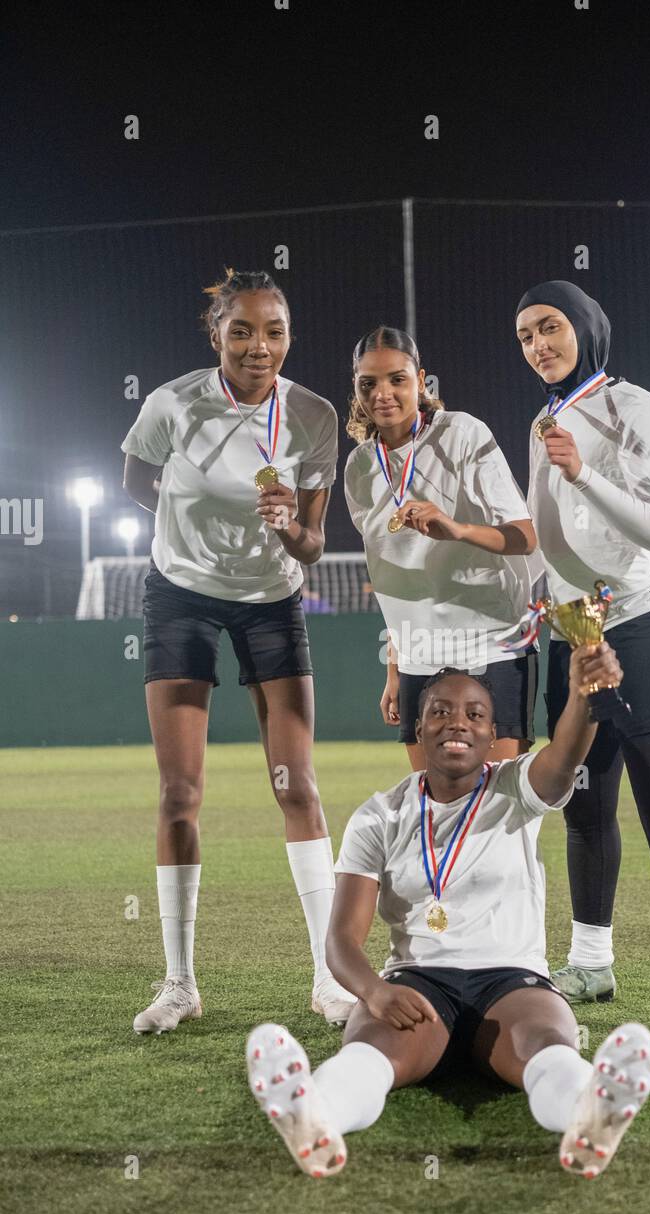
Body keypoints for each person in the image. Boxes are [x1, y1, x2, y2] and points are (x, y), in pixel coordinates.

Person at [246, 644, 650, 1179]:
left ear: (491, 735)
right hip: (417, 985)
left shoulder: (516, 787)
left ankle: (591, 1112)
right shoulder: (379, 816)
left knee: (547, 1047)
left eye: (474, 715)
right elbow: (342, 940)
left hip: (512, 982)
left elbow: (565, 757)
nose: (455, 723)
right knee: (370, 1052)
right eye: (439, 712)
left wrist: (584, 694)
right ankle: (315, 1114)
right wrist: (374, 991)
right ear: (417, 730)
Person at [121, 267, 355, 1032]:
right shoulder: (172, 403)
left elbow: (316, 545)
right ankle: (180, 984)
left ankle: (328, 978)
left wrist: (289, 527)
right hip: (180, 594)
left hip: (270, 602)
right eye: (243, 330)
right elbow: (135, 478)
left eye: (275, 330)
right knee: (179, 793)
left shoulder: (315, 417)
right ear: (216, 334)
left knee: (298, 788)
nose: (261, 346)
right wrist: (183, 515)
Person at [514, 279, 650, 1054]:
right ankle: (591, 964)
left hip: (645, 627)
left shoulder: (638, 409)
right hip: (576, 637)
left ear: (587, 328)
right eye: (526, 336)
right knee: (583, 806)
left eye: (550, 327)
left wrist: (581, 473)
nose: (538, 345)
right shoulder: (544, 421)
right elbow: (542, 535)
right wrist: (540, 601)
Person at [344, 325, 544, 772]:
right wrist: (394, 669)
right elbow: (388, 574)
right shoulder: (359, 467)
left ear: (421, 379)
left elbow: (525, 536)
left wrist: (457, 530)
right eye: (368, 383)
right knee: (435, 811)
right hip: (418, 655)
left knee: (499, 807)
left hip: (491, 645)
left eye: (397, 379)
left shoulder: (462, 433)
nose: (383, 393)